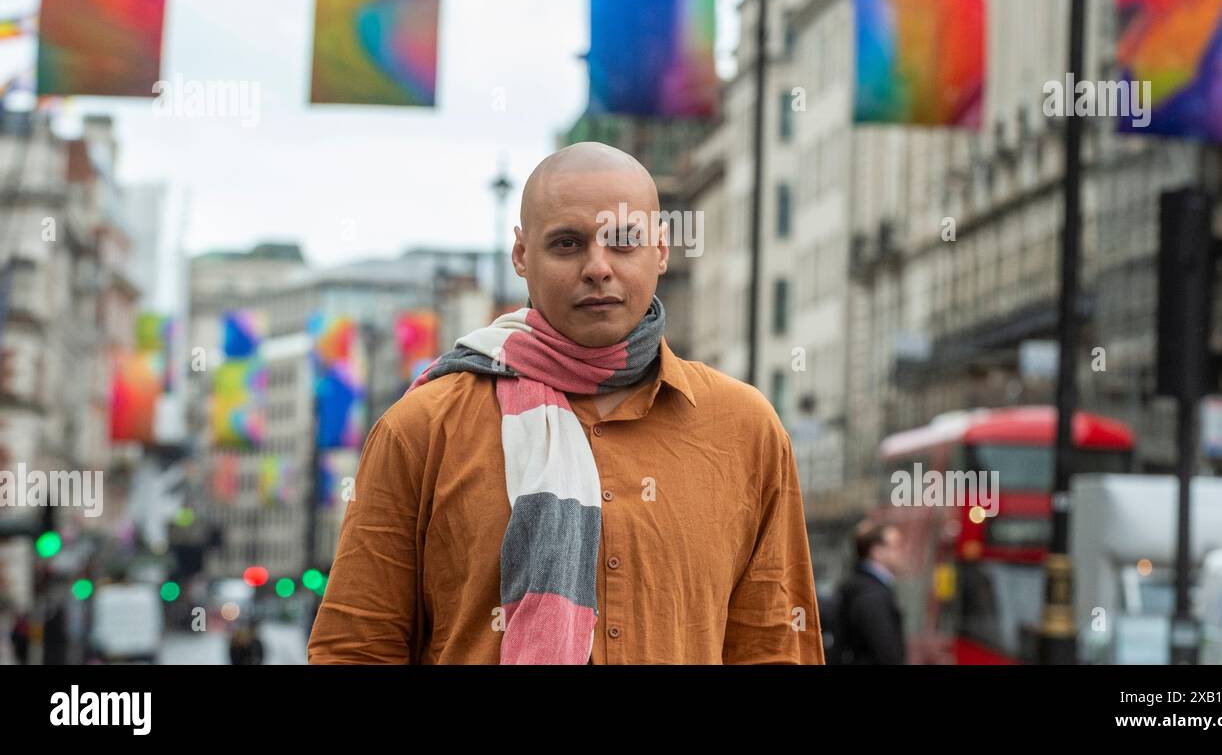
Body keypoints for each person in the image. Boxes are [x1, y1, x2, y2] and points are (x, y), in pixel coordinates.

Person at [308, 142, 824, 665]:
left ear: (662, 251)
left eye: (624, 241)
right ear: (521, 256)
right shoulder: (421, 429)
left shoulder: (745, 428)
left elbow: (774, 647)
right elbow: (356, 648)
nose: (598, 267)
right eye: (568, 244)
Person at [832, 519, 907, 665]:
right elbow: (887, 655)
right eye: (897, 545)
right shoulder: (872, 596)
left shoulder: (860, 587)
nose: (903, 551)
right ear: (877, 552)